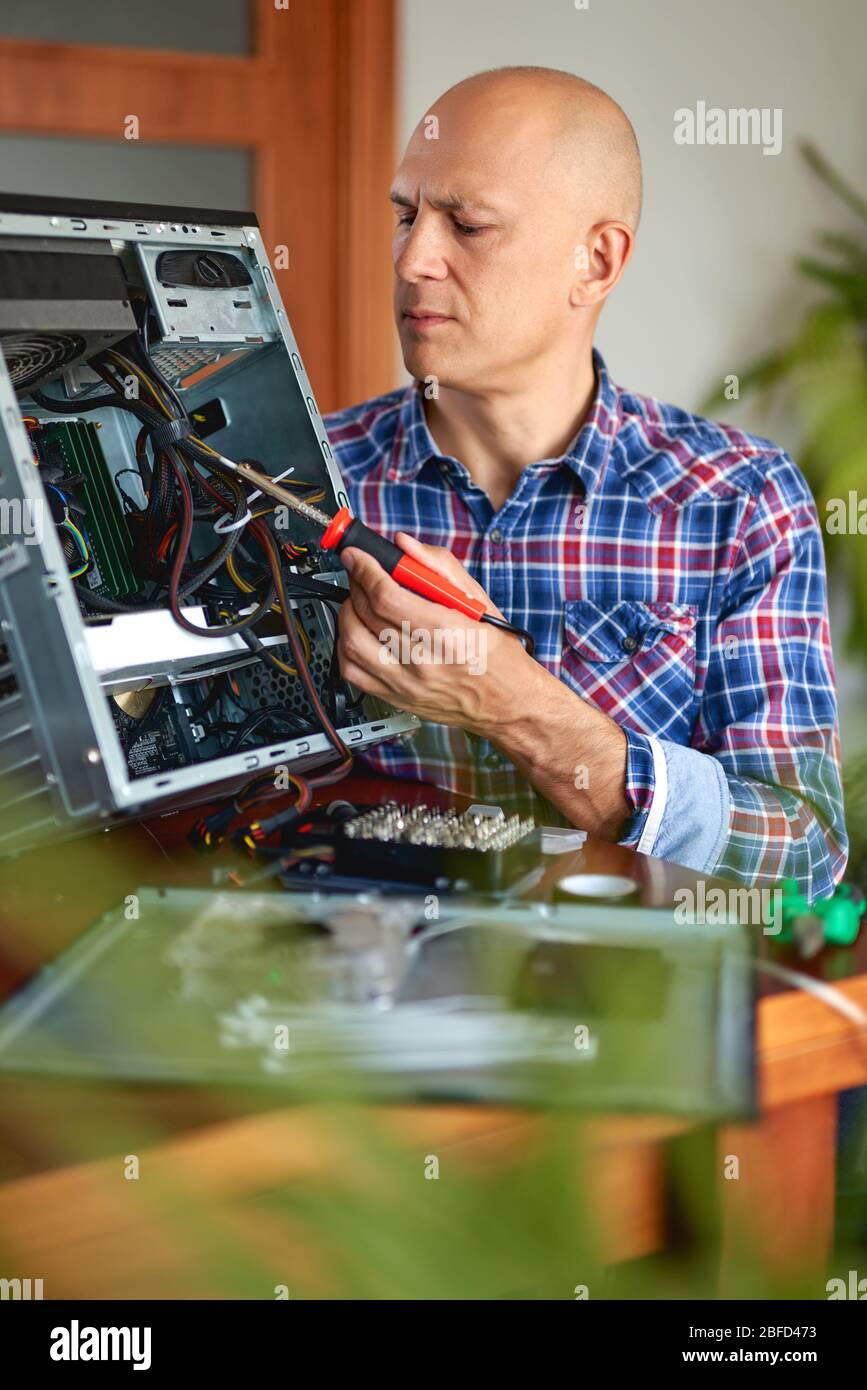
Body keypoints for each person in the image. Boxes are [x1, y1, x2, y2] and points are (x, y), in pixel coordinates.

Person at [324, 65, 846, 895]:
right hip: (340, 1000)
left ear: (594, 263)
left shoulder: (738, 501)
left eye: (466, 223)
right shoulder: (312, 483)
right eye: (404, 215)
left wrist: (513, 703)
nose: (414, 257)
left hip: (621, 1011)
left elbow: (801, 854)